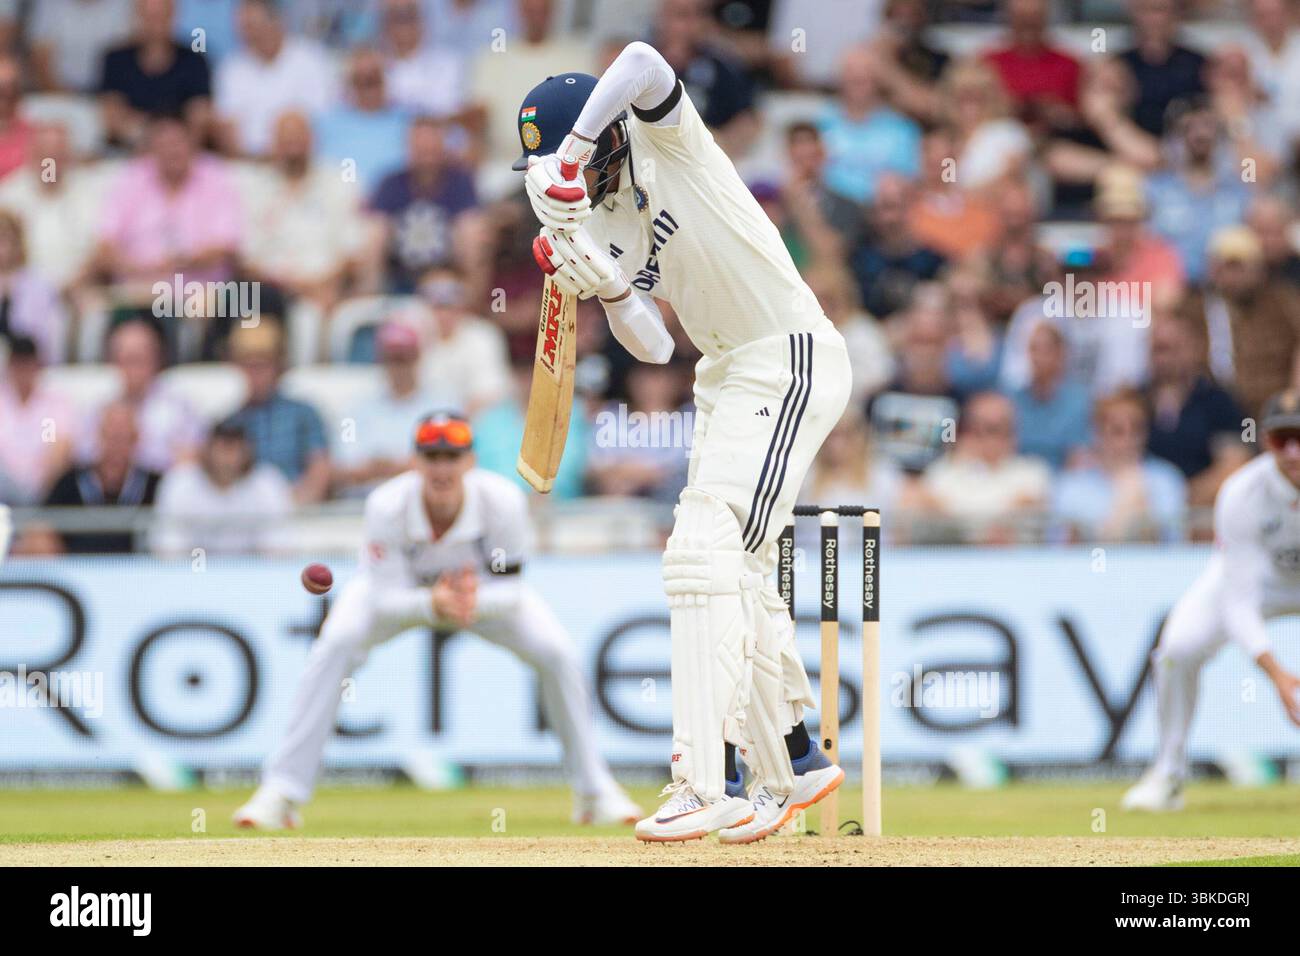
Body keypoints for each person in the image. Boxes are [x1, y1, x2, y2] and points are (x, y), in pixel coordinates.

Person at [516, 41, 852, 843]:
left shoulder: (668, 138)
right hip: (725, 376)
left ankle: (705, 782)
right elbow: (655, 348)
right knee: (738, 568)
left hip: (788, 352)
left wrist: (570, 154)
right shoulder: (597, 217)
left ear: (602, 140)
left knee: (699, 551)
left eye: (586, 162)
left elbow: (640, 57)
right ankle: (792, 763)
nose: (579, 184)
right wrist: (591, 276)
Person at [232, 412, 641, 829]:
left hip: (483, 601)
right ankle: (280, 793)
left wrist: (467, 603)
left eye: (452, 456)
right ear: (415, 462)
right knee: (335, 645)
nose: (442, 468)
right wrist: (433, 604)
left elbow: (513, 590)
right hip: (406, 596)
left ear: (470, 461)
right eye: (432, 456)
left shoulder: (502, 501)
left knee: (556, 653)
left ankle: (595, 791)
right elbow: (384, 598)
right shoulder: (386, 505)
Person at [1123, 391, 1300, 812]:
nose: (1293, 451)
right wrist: (1279, 676)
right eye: (1281, 440)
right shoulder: (1242, 493)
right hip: (1258, 584)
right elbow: (1239, 601)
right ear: (1266, 443)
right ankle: (1167, 773)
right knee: (1176, 651)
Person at [151, 418, 294, 556]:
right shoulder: (181, 482)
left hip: (251, 574)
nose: (227, 457)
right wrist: (198, 574)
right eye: (222, 447)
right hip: (195, 572)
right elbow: (169, 548)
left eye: (235, 448)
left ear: (247, 451)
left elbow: (277, 548)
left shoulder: (267, 484)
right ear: (207, 448)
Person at [226, 324, 331, 504]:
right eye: (249, 366)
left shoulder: (304, 414)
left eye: (263, 366)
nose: (256, 375)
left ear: (279, 367)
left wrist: (291, 506)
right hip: (244, 516)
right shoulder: (230, 422)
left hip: (298, 511)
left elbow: (320, 469)